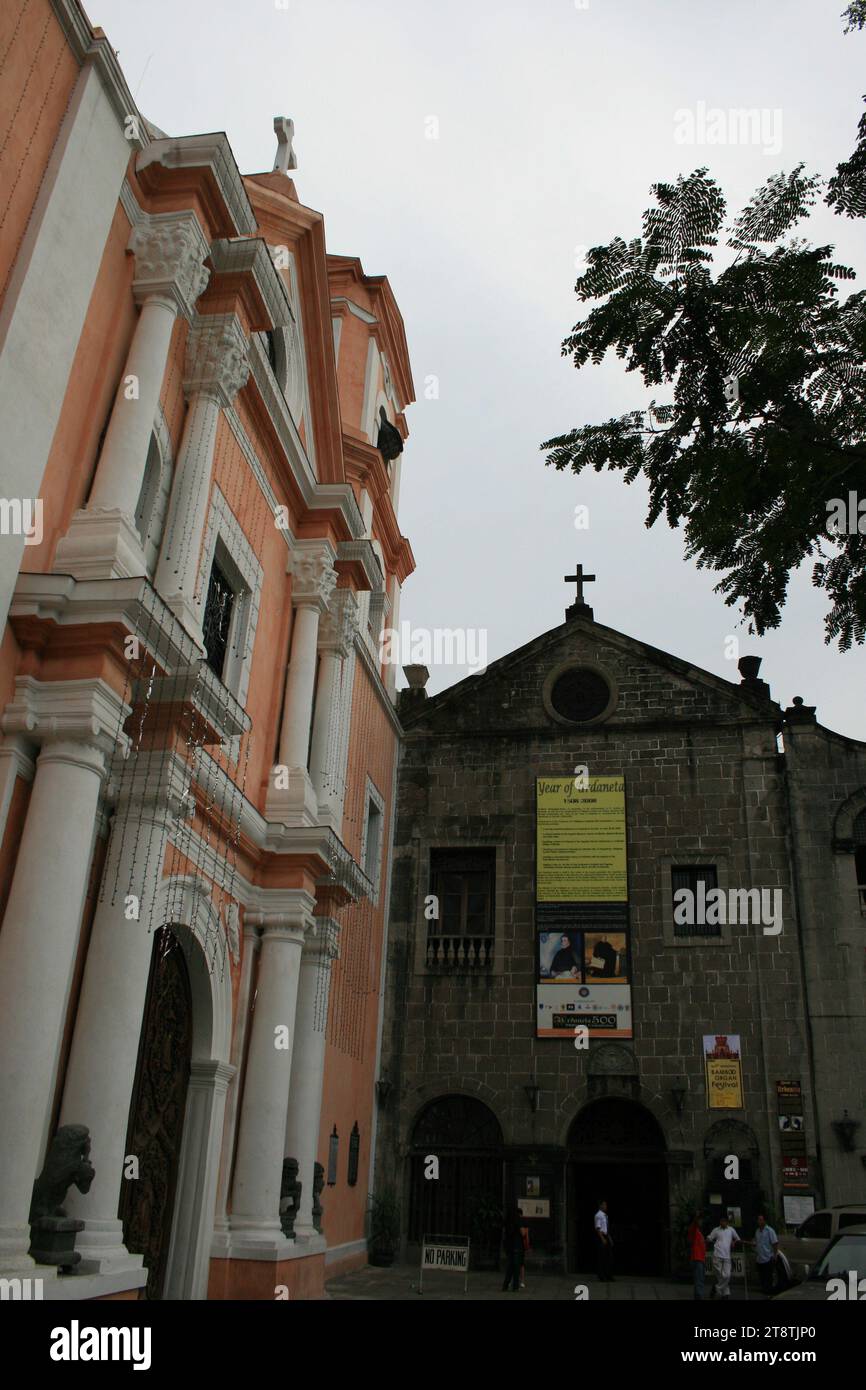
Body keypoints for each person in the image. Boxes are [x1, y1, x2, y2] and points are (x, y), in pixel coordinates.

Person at [707, 1213, 741, 1299]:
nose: (722, 1222)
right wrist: (708, 1238)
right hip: (717, 1255)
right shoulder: (716, 1230)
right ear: (720, 1222)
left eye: (724, 1221)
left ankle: (716, 1288)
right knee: (721, 1276)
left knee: (727, 1275)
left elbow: (738, 1239)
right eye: (721, 1221)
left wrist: (734, 1242)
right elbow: (710, 1238)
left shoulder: (731, 1230)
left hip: (727, 1256)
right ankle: (725, 1294)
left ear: (727, 1222)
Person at [749, 1212, 780, 1296]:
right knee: (762, 1276)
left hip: (768, 1257)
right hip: (759, 1258)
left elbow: (775, 1243)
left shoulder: (770, 1230)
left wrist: (775, 1254)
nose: (759, 1221)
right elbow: (756, 1242)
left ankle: (769, 1292)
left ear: (764, 1221)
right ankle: (764, 1289)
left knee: (768, 1276)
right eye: (758, 1220)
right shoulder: (757, 1231)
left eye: (760, 1220)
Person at [501, 1203, 525, 1292]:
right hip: (517, 1246)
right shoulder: (518, 1219)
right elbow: (522, 1233)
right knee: (516, 1267)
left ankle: (505, 1285)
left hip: (509, 1246)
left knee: (510, 1267)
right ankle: (515, 1286)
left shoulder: (507, 1219)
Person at [686, 1209, 706, 1300]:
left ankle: (697, 1296)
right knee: (699, 1280)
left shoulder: (698, 1232)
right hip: (697, 1259)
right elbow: (695, 1223)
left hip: (700, 1259)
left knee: (699, 1280)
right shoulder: (693, 1229)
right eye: (700, 1220)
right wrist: (696, 1217)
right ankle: (699, 1297)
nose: (701, 1222)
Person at [594, 1198, 615, 1281]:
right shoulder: (598, 1215)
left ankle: (608, 1275)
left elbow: (606, 1228)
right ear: (601, 1205)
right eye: (604, 1204)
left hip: (606, 1236)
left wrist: (609, 1238)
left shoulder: (605, 1215)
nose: (606, 1206)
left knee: (609, 1257)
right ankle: (602, 1276)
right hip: (601, 1237)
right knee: (602, 1257)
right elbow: (598, 1228)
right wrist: (602, 1238)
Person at [519, 1221, 530, 1289]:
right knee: (521, 1265)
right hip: (520, 1247)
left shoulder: (521, 1224)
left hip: (520, 1247)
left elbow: (525, 1236)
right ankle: (522, 1281)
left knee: (521, 1265)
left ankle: (522, 1281)